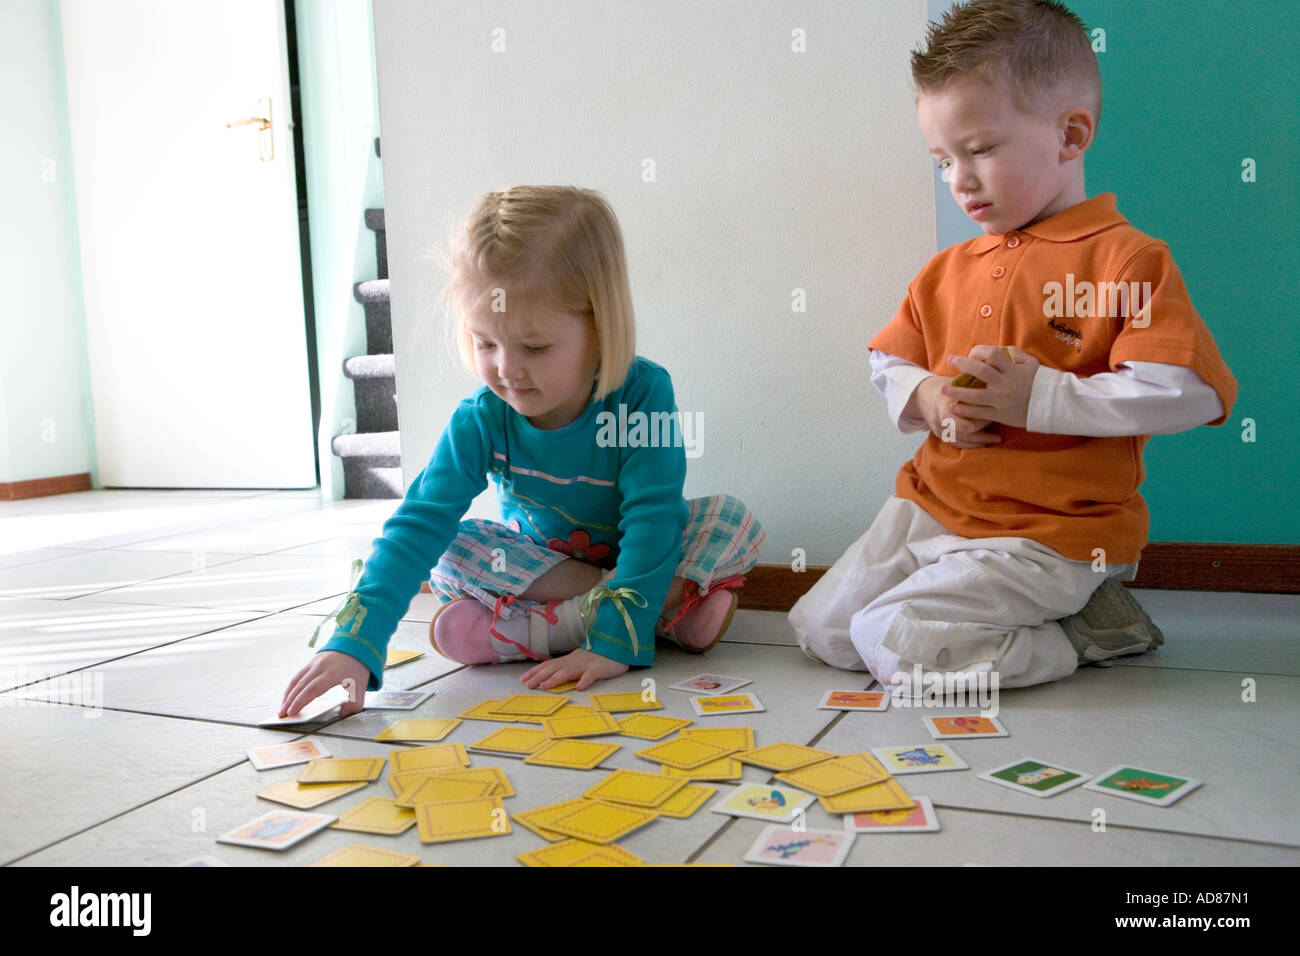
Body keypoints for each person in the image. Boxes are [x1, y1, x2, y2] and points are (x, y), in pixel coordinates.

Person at [789, 0, 1236, 690]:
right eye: (942, 159)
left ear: (1070, 134)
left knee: (893, 644)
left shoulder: (1126, 260)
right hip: (930, 508)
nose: (959, 180)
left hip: (1052, 536)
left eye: (980, 150)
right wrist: (929, 395)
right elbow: (889, 359)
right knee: (820, 629)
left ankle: (1083, 633)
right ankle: (966, 604)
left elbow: (1190, 389)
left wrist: (1044, 398)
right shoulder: (947, 269)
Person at [281, 185, 764, 717]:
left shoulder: (642, 392)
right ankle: (666, 612)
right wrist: (353, 641)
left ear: (600, 330)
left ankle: (548, 630)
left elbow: (653, 516)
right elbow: (420, 520)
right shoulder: (483, 416)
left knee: (730, 519)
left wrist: (611, 647)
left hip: (630, 557)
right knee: (448, 549)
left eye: (534, 347)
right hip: (544, 569)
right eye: (486, 342)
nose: (506, 368)